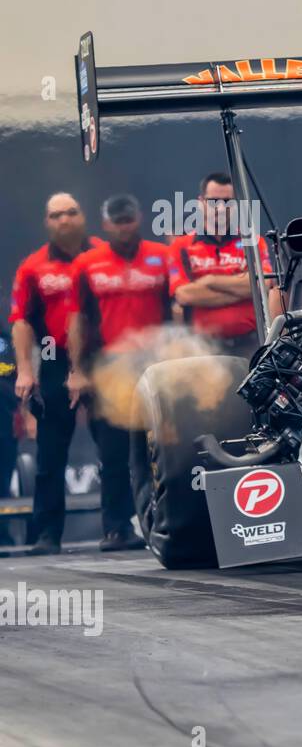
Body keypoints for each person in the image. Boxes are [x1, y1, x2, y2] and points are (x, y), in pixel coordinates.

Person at [67, 194, 170, 550]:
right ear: (106, 223)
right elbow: (77, 320)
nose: (124, 227)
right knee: (113, 454)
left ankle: (166, 521)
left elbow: (178, 308)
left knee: (164, 450)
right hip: (109, 371)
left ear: (138, 218)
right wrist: (78, 370)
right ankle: (116, 528)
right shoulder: (88, 264)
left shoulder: (162, 256)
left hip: (156, 368)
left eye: (129, 220)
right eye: (117, 222)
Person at [9, 193, 102, 554]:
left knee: (115, 449)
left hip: (102, 362)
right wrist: (26, 371)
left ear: (82, 216)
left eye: (71, 213)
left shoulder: (103, 259)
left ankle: (120, 528)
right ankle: (47, 534)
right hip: (55, 361)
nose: (64, 220)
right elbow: (19, 321)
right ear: (47, 222)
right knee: (49, 455)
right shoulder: (33, 267)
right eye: (56, 215)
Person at [170, 171, 281, 359]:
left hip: (249, 344)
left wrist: (209, 281)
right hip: (202, 348)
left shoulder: (253, 242)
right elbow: (184, 295)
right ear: (201, 202)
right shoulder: (181, 246)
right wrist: (240, 290)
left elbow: (262, 286)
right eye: (213, 202)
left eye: (228, 202)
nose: (221, 208)